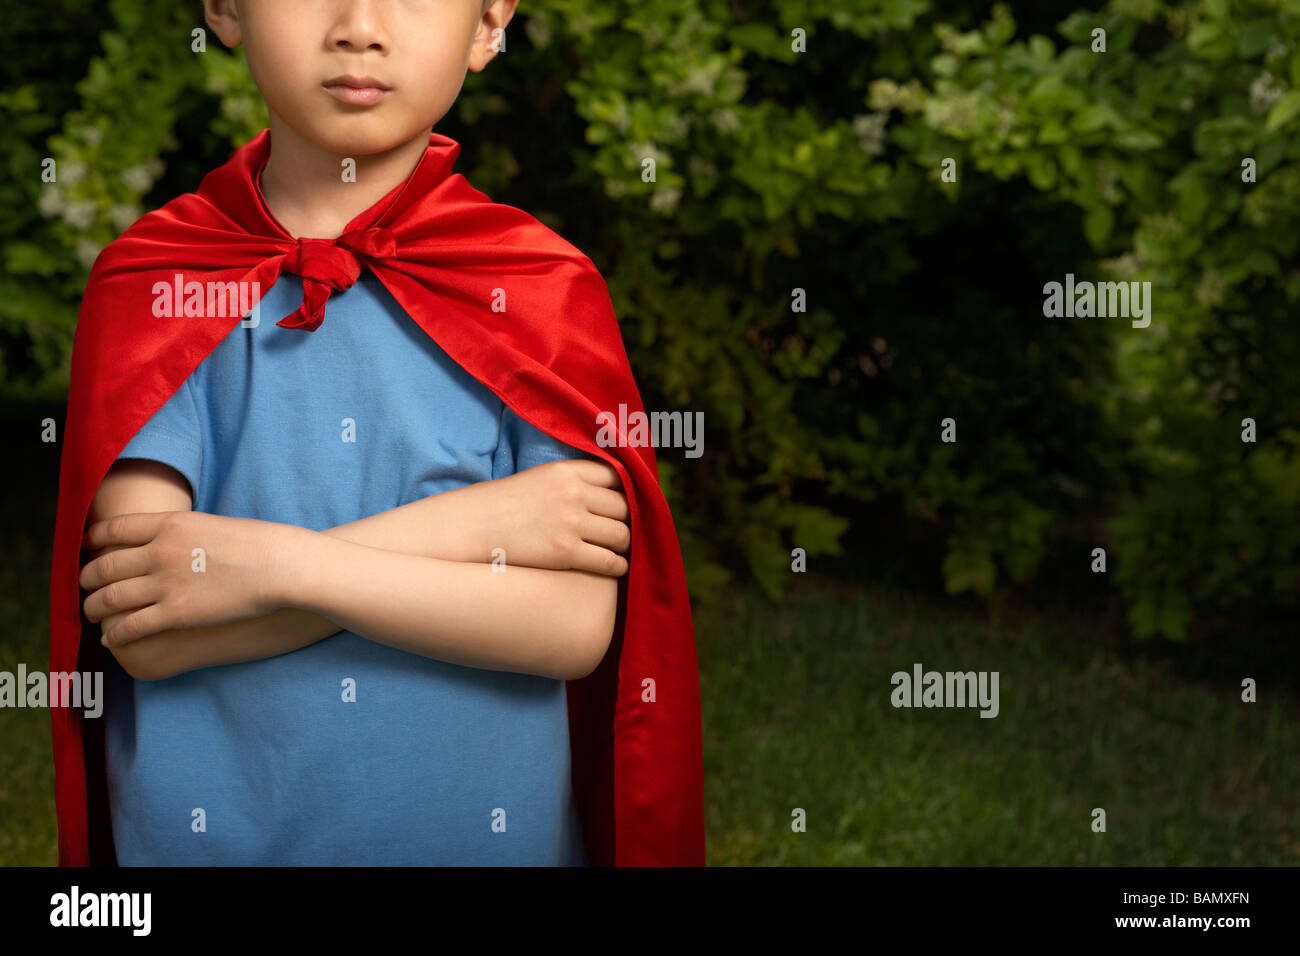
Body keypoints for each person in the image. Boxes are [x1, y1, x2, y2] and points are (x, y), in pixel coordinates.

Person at [50, 0, 704, 866]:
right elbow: (150, 627)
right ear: (224, 9)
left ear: (488, 23)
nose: (360, 25)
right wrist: (470, 528)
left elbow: (575, 625)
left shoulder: (537, 285)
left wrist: (264, 570)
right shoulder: (165, 281)